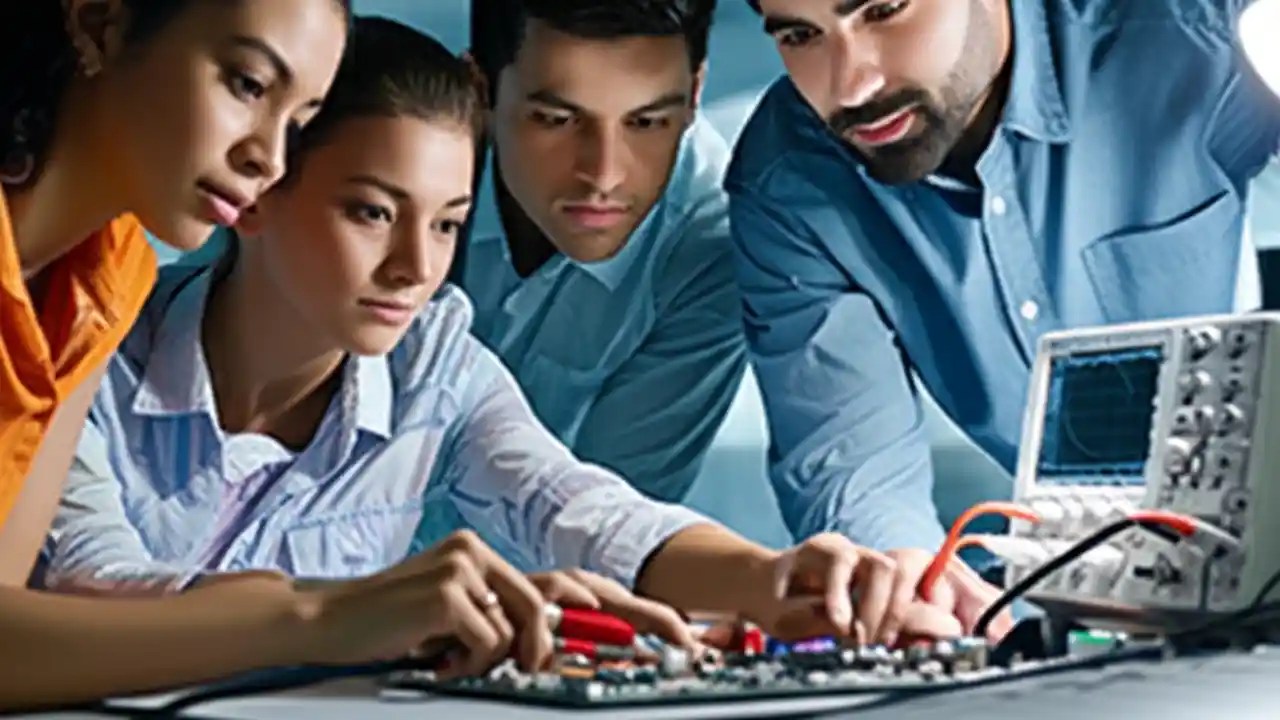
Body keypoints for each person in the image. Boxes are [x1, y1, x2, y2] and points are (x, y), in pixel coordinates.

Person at [40, 14, 994, 680]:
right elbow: (95, 586)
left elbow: (580, 509)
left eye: (450, 223)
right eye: (371, 213)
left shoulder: (437, 365)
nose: (418, 267)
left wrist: (773, 579)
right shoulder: (91, 342)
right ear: (261, 190)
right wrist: (347, 617)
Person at [727, 0, 1280, 616]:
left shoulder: (1199, 39)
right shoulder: (789, 183)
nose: (852, 85)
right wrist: (917, 598)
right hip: (1075, 603)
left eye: (884, 10)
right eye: (801, 34)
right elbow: (855, 469)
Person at [449, 0, 745, 508]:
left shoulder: (712, 250)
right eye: (557, 120)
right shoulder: (386, 167)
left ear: (695, 95)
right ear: (480, 90)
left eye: (647, 122)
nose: (604, 175)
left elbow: (613, 519)